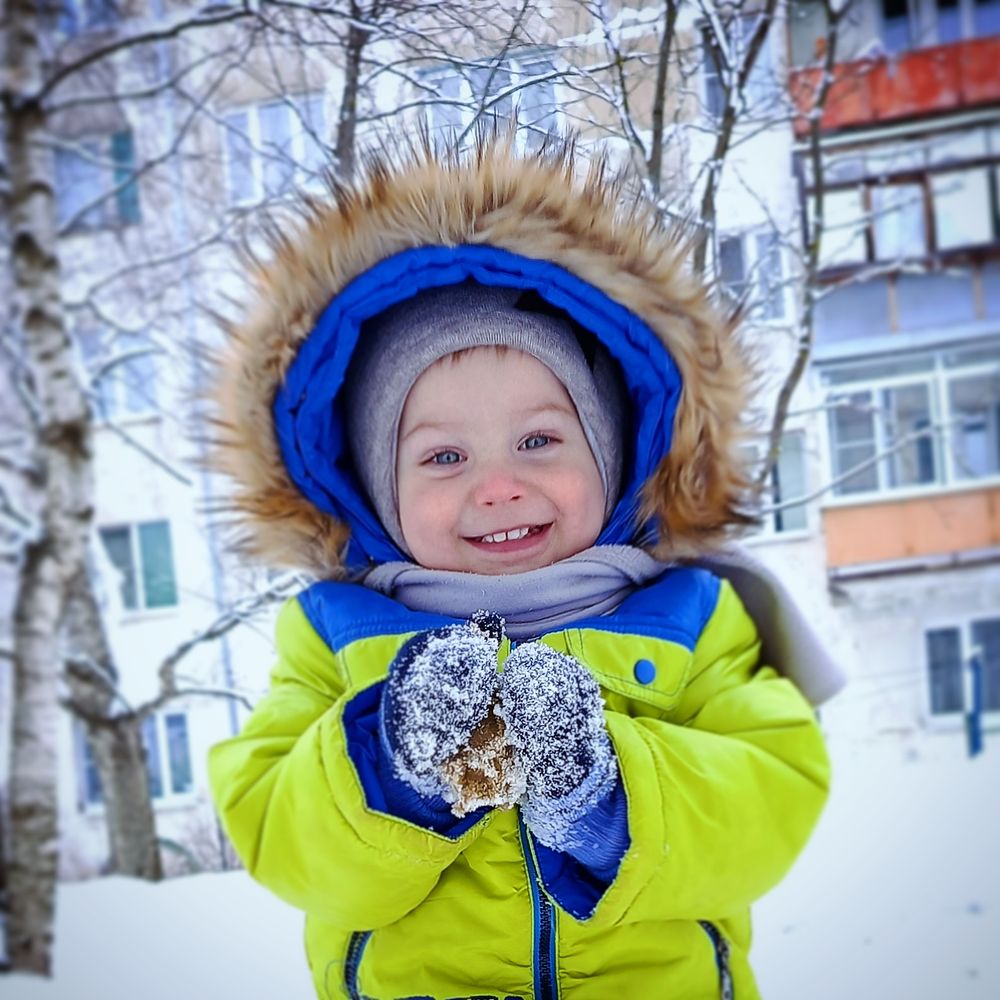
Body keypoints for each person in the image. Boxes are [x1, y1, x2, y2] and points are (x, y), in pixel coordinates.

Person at [208, 133, 844, 1000]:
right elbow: (282, 839)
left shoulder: (689, 617)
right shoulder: (334, 637)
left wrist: (604, 793)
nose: (499, 487)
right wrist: (389, 765)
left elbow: (769, 802)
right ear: (377, 492)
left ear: (612, 455)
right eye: (443, 457)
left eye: (539, 440)